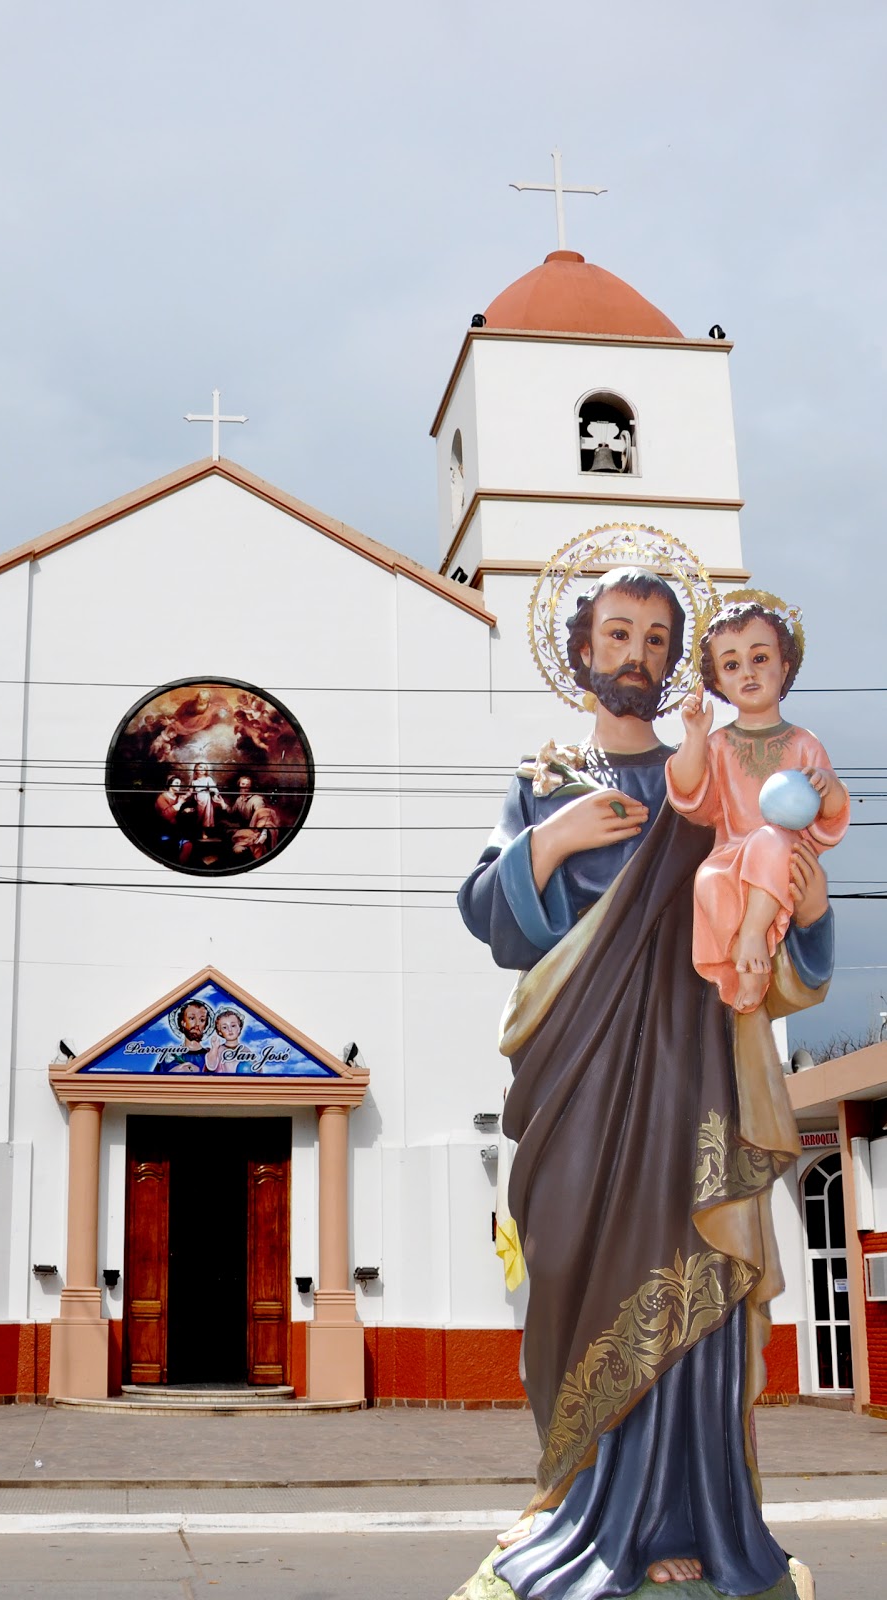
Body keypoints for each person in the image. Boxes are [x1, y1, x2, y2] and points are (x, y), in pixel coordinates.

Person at [455, 566, 833, 1600]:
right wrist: (553, 840)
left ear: (676, 664)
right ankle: (584, 1510)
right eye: (617, 634)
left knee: (692, 1277)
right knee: (575, 1272)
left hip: (692, 1072)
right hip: (577, 1078)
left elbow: (775, 894)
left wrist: (804, 904)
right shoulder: (542, 781)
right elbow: (487, 909)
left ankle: (682, 1518)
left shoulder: (709, 780)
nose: (636, 654)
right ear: (581, 652)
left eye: (659, 639)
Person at [666, 597, 849, 1014]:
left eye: (760, 657)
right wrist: (695, 736)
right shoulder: (718, 744)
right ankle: (740, 963)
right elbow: (691, 795)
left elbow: (833, 810)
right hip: (732, 855)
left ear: (784, 667)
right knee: (707, 880)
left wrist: (828, 787)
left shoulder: (804, 742)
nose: (747, 672)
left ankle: (753, 940)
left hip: (784, 854)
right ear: (717, 680)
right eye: (731, 665)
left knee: (769, 839)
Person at [205, 1007, 246, 1073]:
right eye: (224, 1027)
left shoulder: (245, 1050)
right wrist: (214, 1047)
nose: (230, 1030)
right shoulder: (219, 1049)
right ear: (220, 1031)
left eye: (233, 1026)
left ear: (239, 1027)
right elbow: (211, 1066)